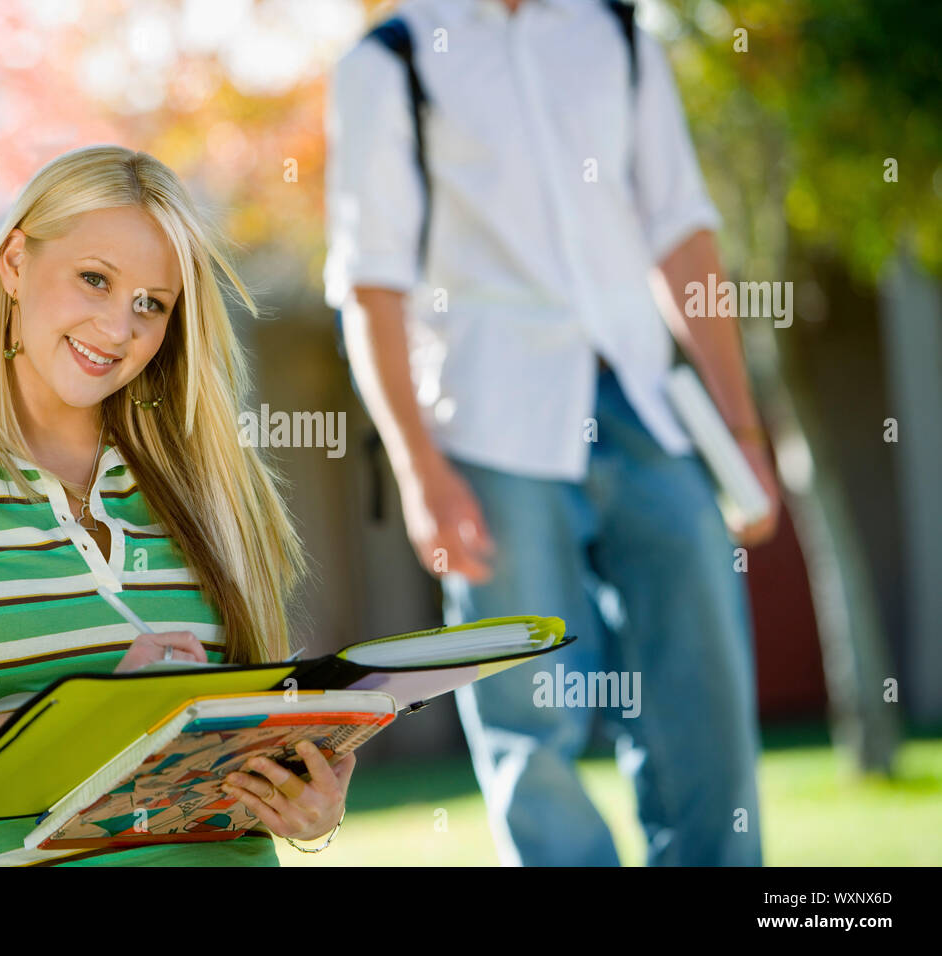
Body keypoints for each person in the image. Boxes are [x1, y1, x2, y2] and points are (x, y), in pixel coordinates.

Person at [323, 0, 780, 865]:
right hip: (493, 431)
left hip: (646, 408)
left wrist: (742, 429)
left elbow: (682, 231)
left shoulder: (614, 33)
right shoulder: (390, 60)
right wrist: (420, 472)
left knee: (704, 694)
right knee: (530, 717)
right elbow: (369, 284)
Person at [0, 144, 355, 866]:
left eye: (151, 304)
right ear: (15, 264)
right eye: (94, 280)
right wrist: (103, 715)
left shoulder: (207, 482)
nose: (118, 329)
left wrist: (308, 806)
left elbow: (248, 736)